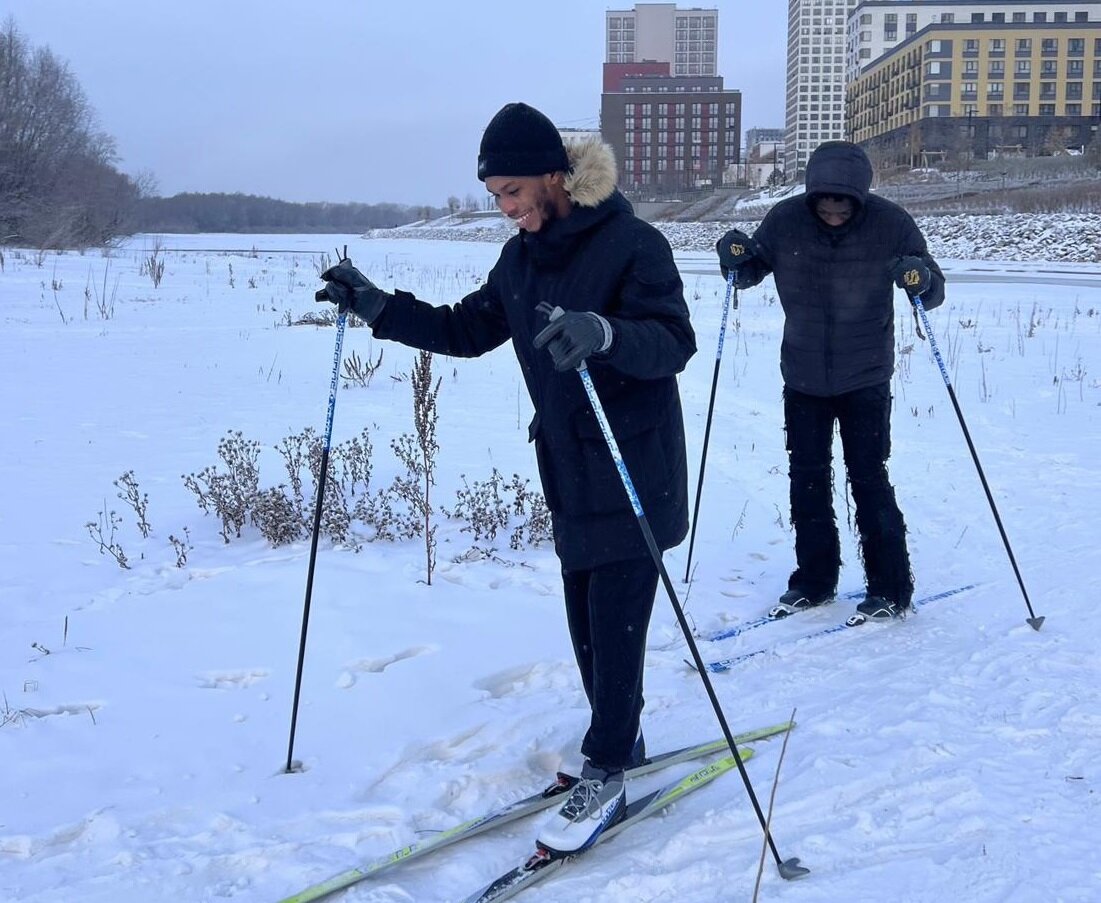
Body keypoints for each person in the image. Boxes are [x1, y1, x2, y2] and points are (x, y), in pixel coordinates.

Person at [315, 102, 696, 854]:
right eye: (495, 196)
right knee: (588, 624)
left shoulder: (632, 244)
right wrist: (376, 305)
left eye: (514, 191)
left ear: (555, 177)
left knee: (617, 625)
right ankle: (620, 740)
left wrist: (606, 332)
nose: (507, 208)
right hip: (566, 466)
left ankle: (609, 764)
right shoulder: (519, 261)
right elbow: (464, 328)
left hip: (632, 465)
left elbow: (673, 342)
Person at [715, 140, 945, 622]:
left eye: (844, 203)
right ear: (812, 194)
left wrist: (918, 277)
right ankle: (815, 580)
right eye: (825, 201)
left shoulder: (892, 223)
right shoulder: (785, 220)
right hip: (802, 376)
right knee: (807, 479)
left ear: (861, 196)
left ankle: (890, 587)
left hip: (865, 376)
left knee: (868, 478)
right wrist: (735, 256)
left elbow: (932, 287)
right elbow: (751, 269)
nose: (834, 211)